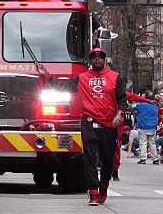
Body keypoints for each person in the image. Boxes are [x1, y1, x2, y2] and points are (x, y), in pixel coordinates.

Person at [72, 48, 125, 206]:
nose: (97, 60)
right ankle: (93, 191)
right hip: (88, 121)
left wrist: (120, 113)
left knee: (107, 159)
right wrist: (46, 76)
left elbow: (122, 99)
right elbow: (63, 85)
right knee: (89, 157)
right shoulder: (82, 77)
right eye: (94, 57)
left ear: (104, 59)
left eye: (99, 57)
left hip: (109, 123)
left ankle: (103, 187)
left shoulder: (115, 77)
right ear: (90, 60)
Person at [132, 94, 159, 164]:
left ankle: (143, 158)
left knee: (143, 143)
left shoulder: (141, 105)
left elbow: (132, 107)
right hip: (152, 126)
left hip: (143, 126)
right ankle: (155, 158)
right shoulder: (155, 107)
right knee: (152, 143)